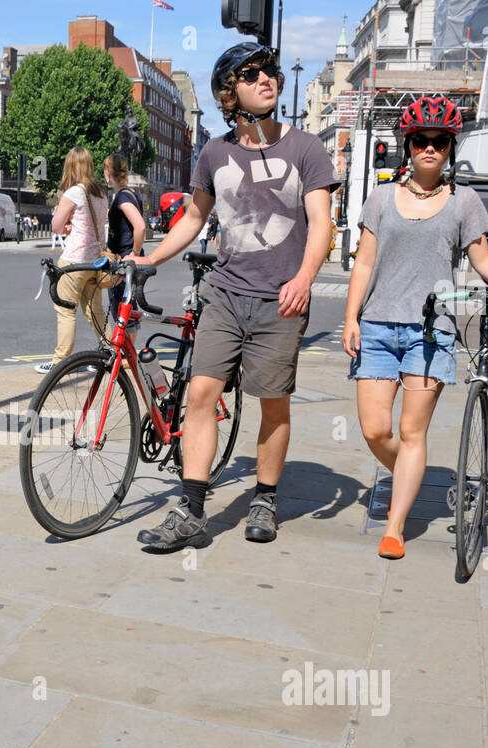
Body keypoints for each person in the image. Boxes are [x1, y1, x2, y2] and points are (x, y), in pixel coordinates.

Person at [131, 43, 337, 550]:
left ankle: (265, 497)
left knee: (271, 403)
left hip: (279, 298)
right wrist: (151, 258)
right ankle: (193, 511)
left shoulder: (305, 149)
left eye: (269, 71)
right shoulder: (214, 154)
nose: (266, 78)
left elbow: (322, 224)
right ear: (230, 92)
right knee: (200, 395)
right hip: (224, 293)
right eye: (252, 74)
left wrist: (305, 278)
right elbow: (195, 219)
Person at [342, 95, 488, 559]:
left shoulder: (464, 202)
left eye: (439, 141)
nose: (429, 149)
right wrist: (351, 317)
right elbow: (364, 262)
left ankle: (395, 525)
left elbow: (483, 260)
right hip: (376, 325)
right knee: (375, 430)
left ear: (450, 148)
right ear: (407, 146)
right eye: (420, 141)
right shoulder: (379, 198)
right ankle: (414, 472)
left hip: (432, 330)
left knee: (413, 432)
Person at [37, 146, 109, 374]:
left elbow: (57, 226)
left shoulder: (73, 193)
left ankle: (60, 362)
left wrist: (67, 225)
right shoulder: (100, 192)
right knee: (95, 310)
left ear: (71, 166)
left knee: (66, 310)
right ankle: (110, 352)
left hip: (74, 261)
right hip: (96, 260)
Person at [103, 152, 146, 314]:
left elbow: (140, 226)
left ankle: (127, 340)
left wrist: (134, 253)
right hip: (127, 260)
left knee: (122, 312)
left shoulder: (122, 198)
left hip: (123, 260)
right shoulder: (132, 193)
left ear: (108, 172)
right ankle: (129, 340)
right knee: (129, 310)